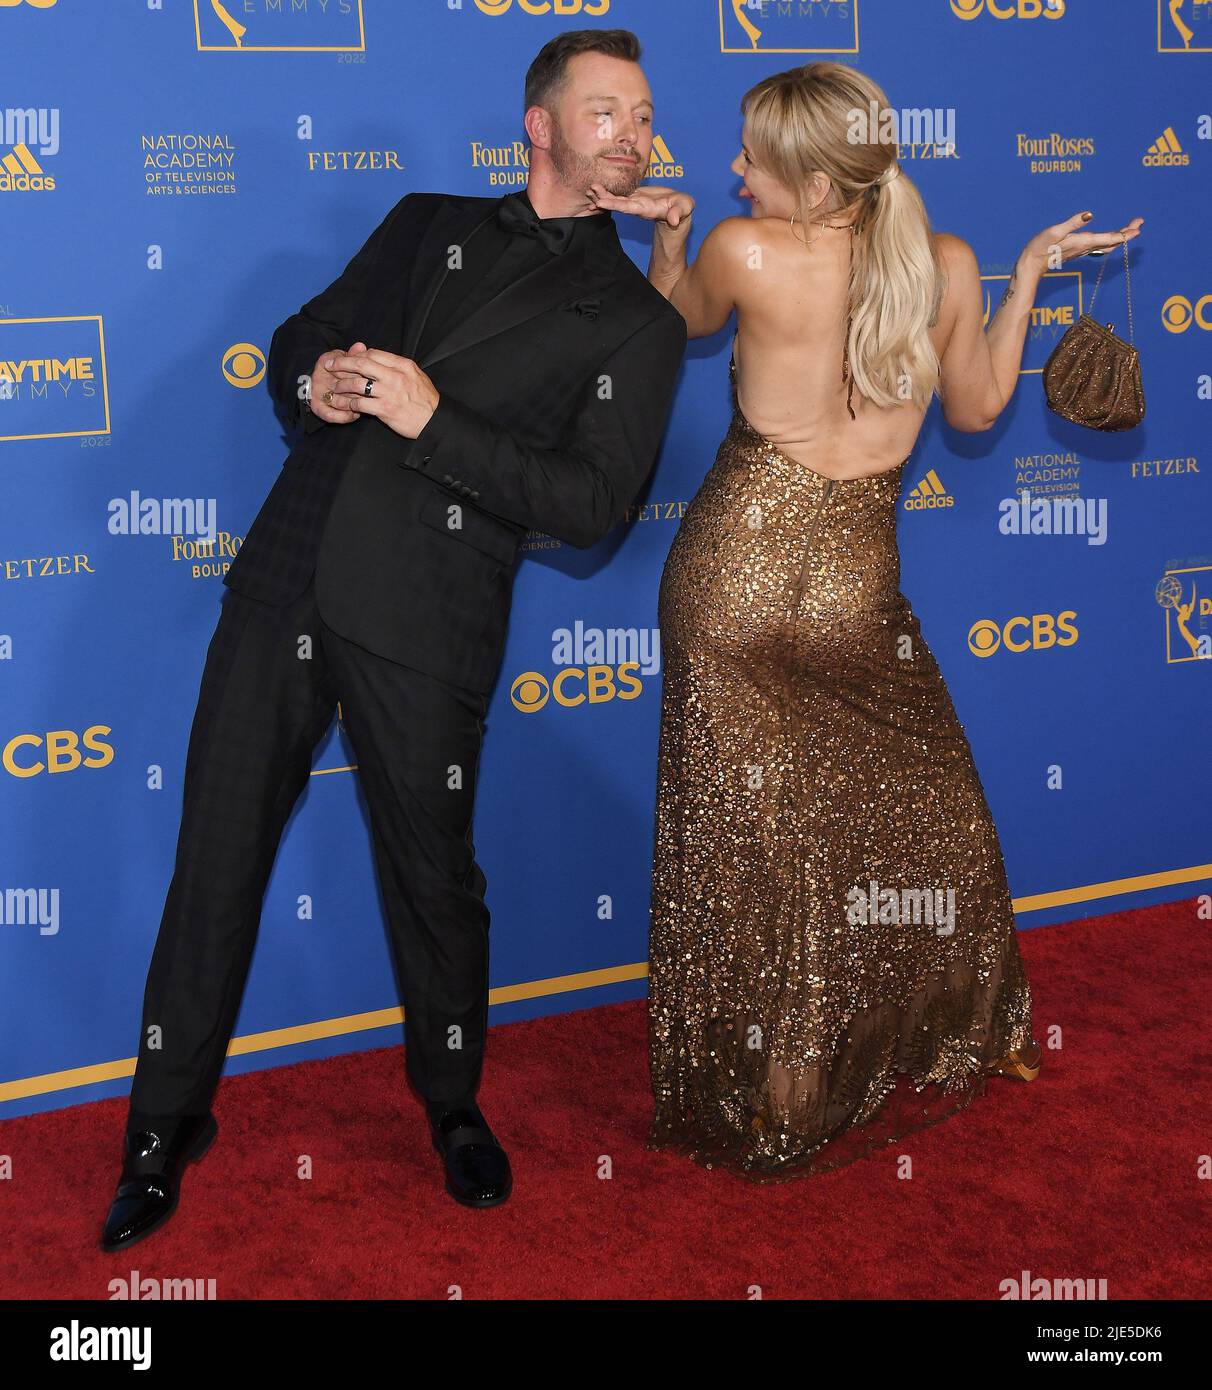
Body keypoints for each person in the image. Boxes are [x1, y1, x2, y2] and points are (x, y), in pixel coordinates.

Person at [100, 26, 686, 1249]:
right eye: (605, 112)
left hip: (430, 613)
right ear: (539, 126)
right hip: (291, 574)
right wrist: (310, 381)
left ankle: (453, 1100)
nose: (632, 133)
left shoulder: (634, 319)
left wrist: (429, 420)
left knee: (434, 881)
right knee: (218, 854)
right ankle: (162, 1125)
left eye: (640, 115)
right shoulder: (429, 221)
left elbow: (588, 506)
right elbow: (301, 334)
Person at [590, 61, 1142, 1178]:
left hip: (729, 576)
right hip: (849, 584)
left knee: (757, 854)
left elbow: (666, 321)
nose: (735, 171)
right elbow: (983, 406)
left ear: (811, 172)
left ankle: (774, 1096)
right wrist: (1025, 276)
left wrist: (666, 241)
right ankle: (932, 1039)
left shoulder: (742, 254)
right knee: (922, 821)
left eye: (754, 157)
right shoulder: (942, 266)